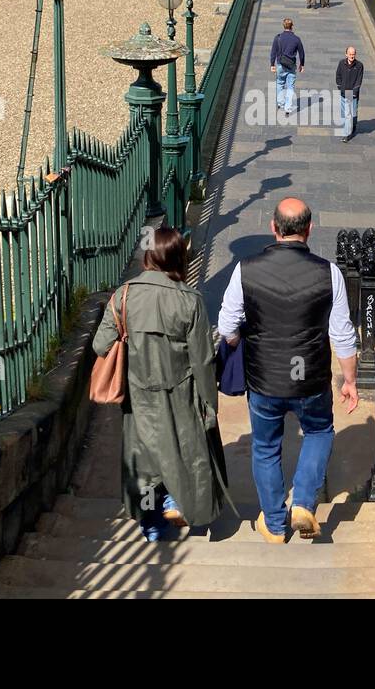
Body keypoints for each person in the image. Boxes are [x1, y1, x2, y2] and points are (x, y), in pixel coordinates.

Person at [217, 197, 359, 542]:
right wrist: (350, 380)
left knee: (266, 447)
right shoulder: (330, 273)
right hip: (310, 377)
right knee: (319, 432)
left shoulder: (244, 268)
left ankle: (276, 524)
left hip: (264, 376)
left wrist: (237, 345)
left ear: (273, 228)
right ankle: (304, 503)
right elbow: (342, 333)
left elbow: (227, 325)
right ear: (309, 229)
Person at [92, 228, 228, 541]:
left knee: (145, 457)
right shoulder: (190, 300)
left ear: (148, 256)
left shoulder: (124, 295)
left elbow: (101, 345)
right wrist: (209, 405)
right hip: (180, 390)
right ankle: (175, 500)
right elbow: (203, 360)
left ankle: (152, 525)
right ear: (180, 257)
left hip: (138, 391)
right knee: (181, 449)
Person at [269, 17, 304, 116]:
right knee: (290, 87)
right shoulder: (296, 39)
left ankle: (280, 103)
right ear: (292, 26)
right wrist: (302, 64)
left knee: (280, 83)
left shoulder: (278, 38)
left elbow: (273, 52)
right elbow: (302, 53)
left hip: (280, 65)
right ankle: (288, 108)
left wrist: (272, 64)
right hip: (291, 66)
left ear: (283, 26)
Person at [335, 45, 363, 142]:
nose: (352, 56)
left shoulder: (359, 65)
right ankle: (347, 134)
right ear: (346, 54)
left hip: (353, 93)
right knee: (346, 114)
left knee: (352, 113)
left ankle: (352, 126)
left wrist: (354, 92)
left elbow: (359, 80)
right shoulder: (341, 63)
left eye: (353, 54)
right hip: (344, 92)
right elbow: (338, 76)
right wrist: (340, 88)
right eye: (350, 54)